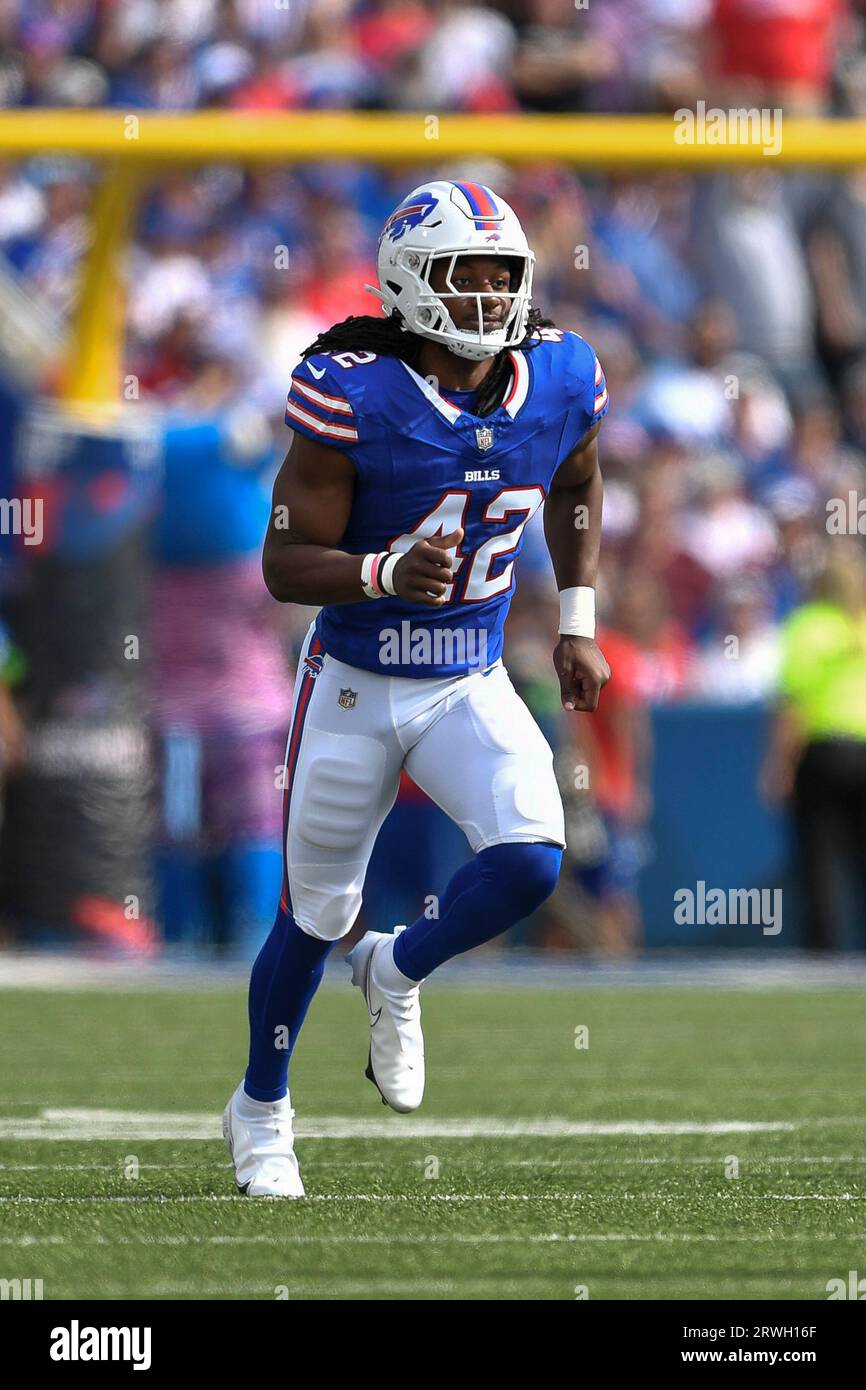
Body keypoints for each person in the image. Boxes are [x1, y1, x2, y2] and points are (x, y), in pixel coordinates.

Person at [223, 179, 610, 1197]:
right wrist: (382, 570)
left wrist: (575, 617)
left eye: (501, 276)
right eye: (463, 275)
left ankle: (397, 967)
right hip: (352, 679)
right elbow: (281, 562)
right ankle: (261, 1109)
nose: (487, 297)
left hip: (465, 677)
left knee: (531, 857)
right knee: (311, 915)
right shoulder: (352, 390)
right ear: (409, 283)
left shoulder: (562, 376)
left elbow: (574, 481)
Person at [762, 540, 866, 950]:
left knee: (818, 858)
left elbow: (793, 705)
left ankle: (826, 954)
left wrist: (779, 764)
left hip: (824, 751)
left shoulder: (808, 626)